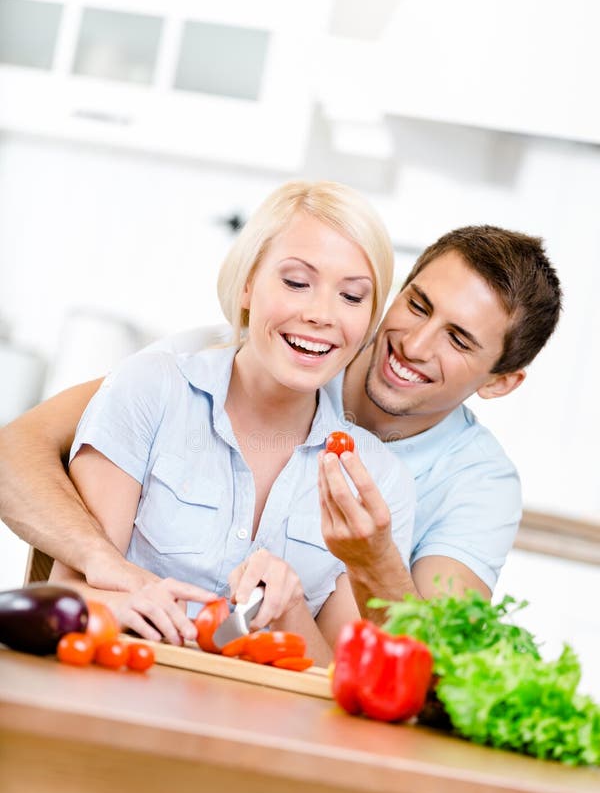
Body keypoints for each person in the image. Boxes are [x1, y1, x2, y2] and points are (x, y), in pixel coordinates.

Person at [0, 223, 562, 615]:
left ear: (499, 382)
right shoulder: (247, 353)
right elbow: (16, 451)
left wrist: (374, 562)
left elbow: (439, 675)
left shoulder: (478, 484)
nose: (413, 345)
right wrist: (103, 564)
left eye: (458, 340)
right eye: (416, 305)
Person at [40, 179, 414, 664]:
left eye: (352, 296)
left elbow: (334, 687)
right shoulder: (151, 390)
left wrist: (291, 610)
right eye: (297, 282)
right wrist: (130, 605)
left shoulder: (379, 481)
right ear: (247, 283)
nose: (322, 314)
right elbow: (66, 598)